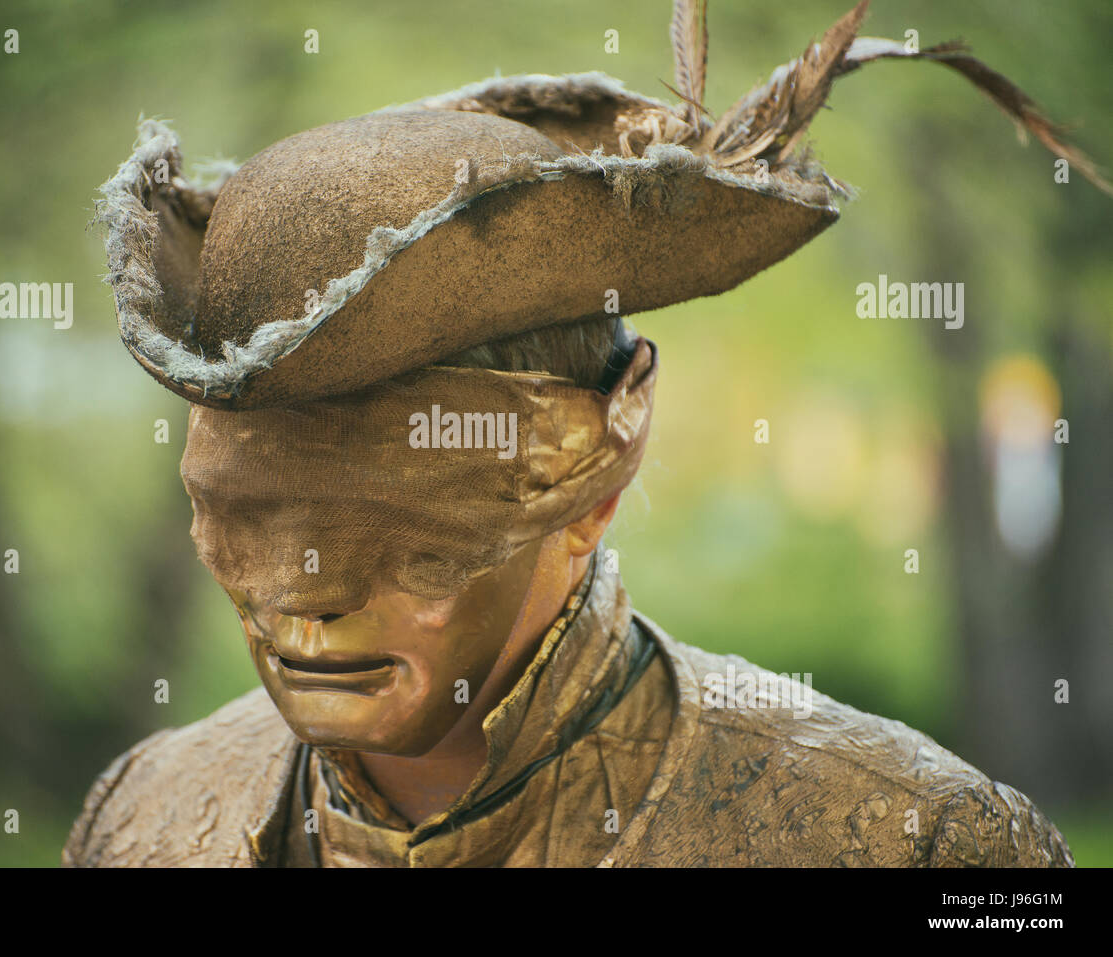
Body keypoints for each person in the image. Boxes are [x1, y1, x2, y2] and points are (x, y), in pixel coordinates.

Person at [65, 1, 1101, 867]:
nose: (306, 592)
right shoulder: (142, 825)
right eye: (243, 515)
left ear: (590, 477)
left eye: (403, 529)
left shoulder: (901, 844)